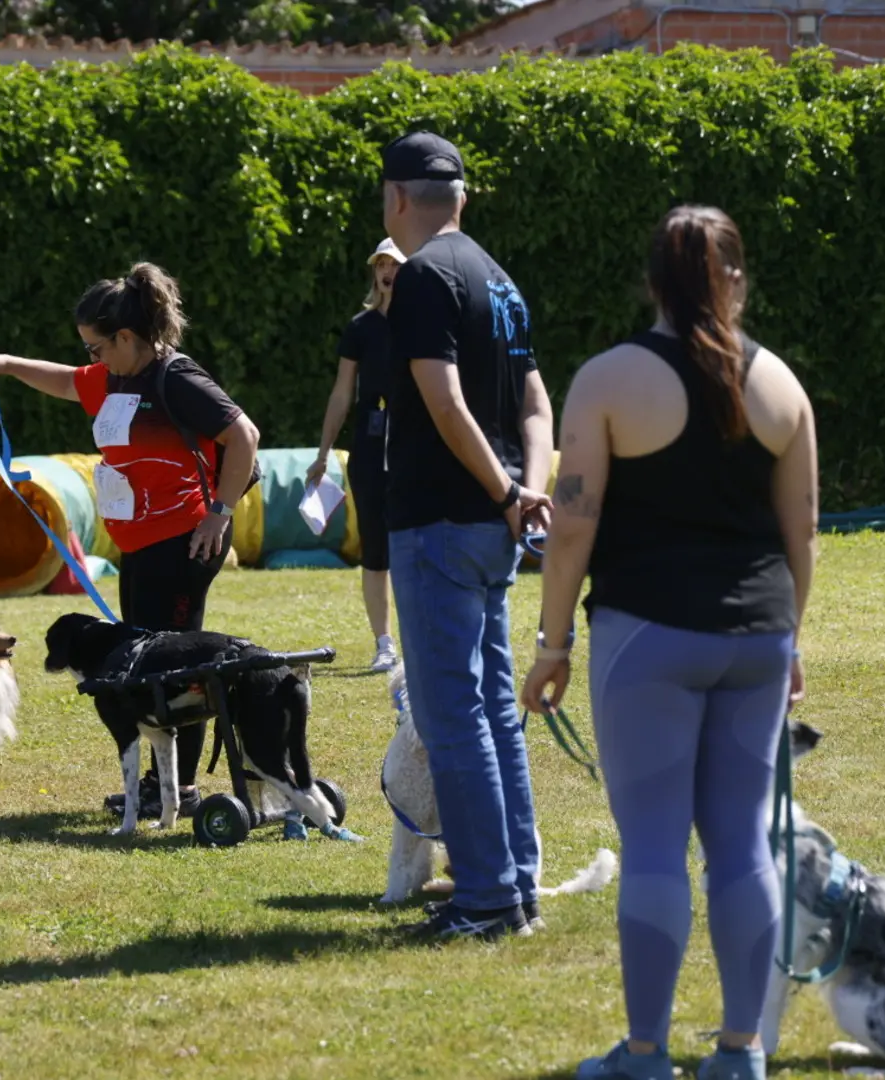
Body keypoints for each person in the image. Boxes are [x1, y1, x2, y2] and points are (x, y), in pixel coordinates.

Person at [518, 205, 818, 1080]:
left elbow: (571, 529)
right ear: (736, 280)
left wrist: (552, 640)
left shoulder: (608, 380)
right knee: (740, 844)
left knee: (653, 842)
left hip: (645, 634)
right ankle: (740, 1050)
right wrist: (788, 635)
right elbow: (801, 530)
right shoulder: (782, 387)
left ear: (652, 282)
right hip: (757, 637)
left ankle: (645, 1053)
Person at [0, 263, 262, 820]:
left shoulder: (176, 379)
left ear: (127, 337)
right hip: (142, 542)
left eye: (96, 346)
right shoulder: (116, 377)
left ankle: (179, 788)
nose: (91, 357)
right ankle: (160, 784)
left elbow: (244, 436)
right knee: (140, 658)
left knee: (173, 663)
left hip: (185, 540)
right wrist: (3, 366)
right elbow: (64, 380)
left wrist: (218, 514)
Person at [379, 131, 555, 940]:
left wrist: (506, 489)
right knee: (490, 706)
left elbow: (442, 402)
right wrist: (530, 492)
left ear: (396, 199)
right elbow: (537, 407)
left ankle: (485, 899)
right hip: (495, 527)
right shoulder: (503, 280)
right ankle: (515, 880)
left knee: (454, 716)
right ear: (464, 197)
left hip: (443, 523)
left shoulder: (421, 278)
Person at [306, 236, 406, 672]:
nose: (387, 271)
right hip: (369, 444)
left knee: (416, 543)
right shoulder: (360, 328)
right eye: (381, 264)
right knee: (375, 547)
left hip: (415, 442)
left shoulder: (426, 322)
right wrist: (323, 453)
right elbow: (342, 393)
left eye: (396, 264)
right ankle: (384, 644)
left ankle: (423, 639)